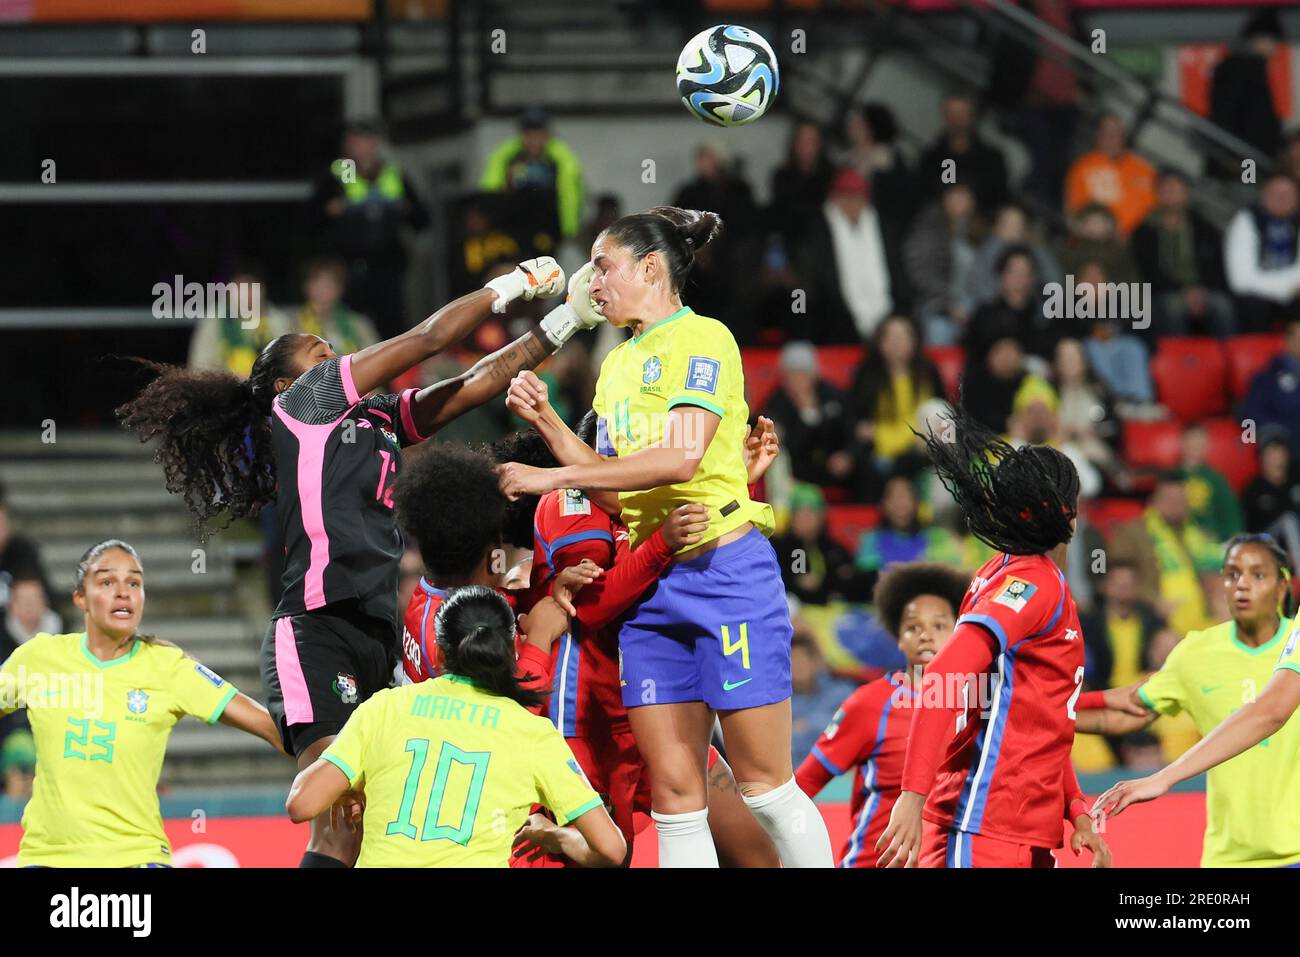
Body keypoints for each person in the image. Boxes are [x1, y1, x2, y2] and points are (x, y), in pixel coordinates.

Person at [118, 254, 601, 867]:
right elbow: (429, 338)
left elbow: (476, 382)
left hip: (378, 630)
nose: (335, 356)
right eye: (319, 354)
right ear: (285, 387)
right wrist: (513, 286)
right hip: (317, 627)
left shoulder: (374, 417)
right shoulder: (304, 408)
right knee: (336, 822)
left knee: (371, 818)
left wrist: (569, 319)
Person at [499, 205, 834, 867]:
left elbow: (681, 456)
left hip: (726, 573)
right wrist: (547, 423)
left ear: (650, 267)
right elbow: (614, 490)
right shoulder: (617, 366)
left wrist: (547, 477)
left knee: (764, 787)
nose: (590, 281)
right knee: (677, 799)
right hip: (654, 592)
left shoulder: (705, 339)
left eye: (603, 265)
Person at [493, 419, 781, 867]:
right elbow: (590, 605)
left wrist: (735, 486)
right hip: (592, 718)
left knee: (758, 854)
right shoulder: (569, 498)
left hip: (665, 705)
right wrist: (661, 543)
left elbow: (711, 557)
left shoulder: (663, 497)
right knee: (607, 855)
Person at [874, 404, 1093, 868]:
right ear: (1066, 514)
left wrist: (1076, 809)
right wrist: (911, 797)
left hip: (1017, 827)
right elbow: (942, 678)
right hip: (984, 826)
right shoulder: (1033, 584)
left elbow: (1039, 718)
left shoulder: (1004, 574)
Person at [286, 585, 627, 867]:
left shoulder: (385, 707)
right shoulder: (533, 733)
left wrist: (350, 783)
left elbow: (302, 804)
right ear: (512, 649)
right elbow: (612, 849)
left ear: (437, 655)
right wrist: (554, 835)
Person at [0, 540, 283, 867]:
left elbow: (271, 726)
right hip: (47, 859)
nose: (124, 592)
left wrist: (335, 774)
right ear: (81, 598)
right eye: (107, 582)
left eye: (134, 583)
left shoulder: (167, 665)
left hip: (136, 859)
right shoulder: (41, 657)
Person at [1087, 535, 1300, 867]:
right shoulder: (1195, 652)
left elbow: (1269, 712)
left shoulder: (1295, 640)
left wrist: (1162, 777)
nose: (1242, 585)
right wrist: (1039, 714)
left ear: (1282, 585)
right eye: (1232, 574)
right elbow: (1127, 711)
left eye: (1258, 575)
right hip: (1227, 858)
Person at [796, 563, 968, 867]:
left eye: (940, 625)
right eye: (913, 627)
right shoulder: (869, 704)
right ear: (898, 638)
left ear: (959, 633)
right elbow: (803, 786)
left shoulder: (979, 706)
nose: (926, 635)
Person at [315, 119, 430, 340]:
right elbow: (314, 218)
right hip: (349, 266)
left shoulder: (392, 174)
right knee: (351, 322)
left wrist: (405, 209)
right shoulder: (341, 174)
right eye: (355, 141)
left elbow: (422, 219)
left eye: (366, 141)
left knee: (393, 323)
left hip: (387, 264)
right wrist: (333, 210)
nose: (362, 147)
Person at [795, 166, 902, 344]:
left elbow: (897, 275)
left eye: (858, 197)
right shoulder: (819, 229)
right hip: (833, 316)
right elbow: (815, 279)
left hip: (884, 316)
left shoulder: (882, 227)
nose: (852, 203)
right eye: (846, 196)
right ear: (835, 198)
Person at [1110, 472, 1222, 636]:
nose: (1176, 505)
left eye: (1181, 500)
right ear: (1153, 501)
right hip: (1153, 620)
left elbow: (1212, 576)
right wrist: (1154, 601)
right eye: (1169, 500)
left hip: (1201, 618)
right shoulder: (1132, 533)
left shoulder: (1198, 535)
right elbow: (1114, 580)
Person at [849, 315, 946, 498]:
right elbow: (859, 426)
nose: (897, 343)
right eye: (891, 337)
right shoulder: (867, 375)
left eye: (903, 337)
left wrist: (883, 434)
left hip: (923, 450)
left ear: (914, 341)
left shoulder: (928, 371)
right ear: (880, 342)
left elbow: (940, 416)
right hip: (883, 453)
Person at [1131, 170, 1234, 337]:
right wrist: (1183, 292)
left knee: (1222, 306)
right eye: (1166, 190)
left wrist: (1202, 290)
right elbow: (1147, 272)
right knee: (1173, 307)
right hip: (1165, 291)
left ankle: (1228, 359)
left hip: (1204, 289)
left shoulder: (1203, 227)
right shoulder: (1144, 231)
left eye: (1177, 190)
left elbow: (1217, 266)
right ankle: (1177, 360)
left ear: (1186, 194)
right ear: (1157, 194)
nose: (1172, 196)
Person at [480, 106, 585, 253]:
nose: (534, 141)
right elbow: (493, 191)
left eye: (539, 135)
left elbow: (571, 196)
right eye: (529, 135)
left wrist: (569, 229)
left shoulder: (559, 162)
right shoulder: (508, 160)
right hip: (514, 232)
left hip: (548, 231)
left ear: (547, 136)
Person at [759, 341, 855, 492]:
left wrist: (848, 455)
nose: (798, 380)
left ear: (814, 374)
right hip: (798, 474)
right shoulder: (777, 404)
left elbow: (851, 429)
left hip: (835, 467)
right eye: (792, 374)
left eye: (803, 374)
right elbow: (789, 445)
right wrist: (805, 414)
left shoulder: (833, 396)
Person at [1208, 9, 1285, 178]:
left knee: (1247, 186)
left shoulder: (1241, 66)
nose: (1274, 48)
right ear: (1257, 40)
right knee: (1246, 187)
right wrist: (1230, 156)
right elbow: (1226, 113)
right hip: (1243, 153)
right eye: (1271, 41)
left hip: (1245, 152)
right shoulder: (1242, 68)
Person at [1223, 173, 1300, 332]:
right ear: (1263, 196)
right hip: (1254, 299)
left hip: (1292, 296)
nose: (1282, 199)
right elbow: (1241, 281)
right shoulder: (1246, 220)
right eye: (1276, 194)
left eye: (1288, 195)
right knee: (1254, 307)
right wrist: (1286, 288)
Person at [770, 483, 867, 606]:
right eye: (800, 513)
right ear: (791, 517)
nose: (804, 519)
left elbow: (850, 582)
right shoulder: (779, 548)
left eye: (810, 513)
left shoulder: (835, 549)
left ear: (821, 516)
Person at [1063, 113, 1157, 237]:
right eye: (1107, 133)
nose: (1113, 138)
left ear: (1124, 136)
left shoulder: (1145, 171)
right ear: (1098, 136)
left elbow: (1155, 213)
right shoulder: (1082, 168)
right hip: (1094, 239)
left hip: (1133, 244)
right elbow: (1072, 211)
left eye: (1117, 133)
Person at [917, 92, 1009, 215]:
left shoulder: (992, 160)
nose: (955, 120)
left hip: (976, 226)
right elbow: (921, 195)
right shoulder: (932, 157)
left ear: (971, 117)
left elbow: (999, 201)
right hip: (935, 225)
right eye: (951, 114)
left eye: (961, 114)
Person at [293, 257, 381, 357]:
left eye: (330, 285)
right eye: (318, 284)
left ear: (340, 290)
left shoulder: (357, 323)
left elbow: (375, 356)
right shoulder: (292, 322)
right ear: (306, 287)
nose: (324, 290)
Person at [1240, 317, 1300, 458]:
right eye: (1297, 338)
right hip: (1284, 445)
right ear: (1287, 341)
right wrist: (1279, 432)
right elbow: (1250, 416)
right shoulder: (1266, 377)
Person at [1180, 422, 1244, 542]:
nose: (1196, 445)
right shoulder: (1170, 477)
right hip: (1179, 542)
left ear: (1207, 446)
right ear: (1182, 443)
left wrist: (1220, 535)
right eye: (1192, 439)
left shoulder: (1216, 479)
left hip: (1213, 542)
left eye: (1201, 441)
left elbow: (1232, 518)